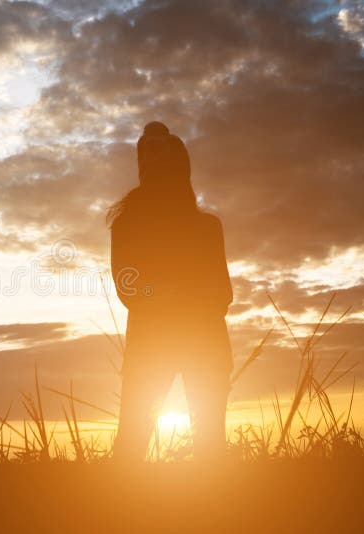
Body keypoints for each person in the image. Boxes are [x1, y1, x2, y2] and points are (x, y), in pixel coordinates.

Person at [108, 121, 233, 461]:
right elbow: (128, 289)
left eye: (173, 171)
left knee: (211, 450)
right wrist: (166, 293)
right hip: (153, 348)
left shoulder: (208, 227)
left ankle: (219, 512)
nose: (167, 179)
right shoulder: (128, 226)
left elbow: (223, 294)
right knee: (131, 446)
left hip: (203, 346)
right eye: (159, 171)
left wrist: (161, 293)